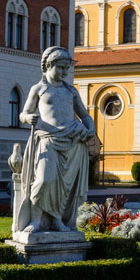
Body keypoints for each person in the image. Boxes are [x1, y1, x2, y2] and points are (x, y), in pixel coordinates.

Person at [17, 46, 99, 234]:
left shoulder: (71, 91)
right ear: (48, 66)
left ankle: (57, 221)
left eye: (66, 68)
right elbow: (24, 113)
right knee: (44, 181)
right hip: (48, 140)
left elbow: (84, 115)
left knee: (64, 189)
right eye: (60, 68)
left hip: (72, 142)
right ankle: (36, 221)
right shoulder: (39, 89)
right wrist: (28, 118)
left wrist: (91, 128)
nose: (64, 72)